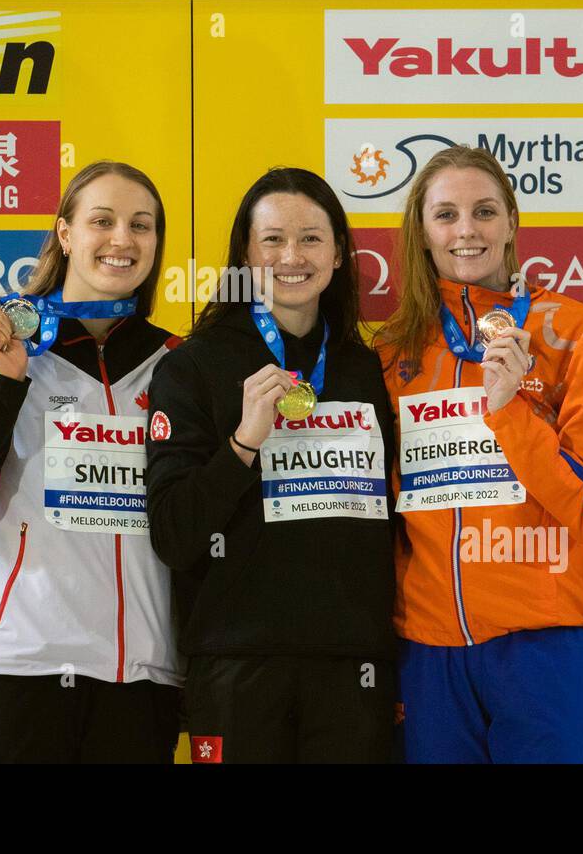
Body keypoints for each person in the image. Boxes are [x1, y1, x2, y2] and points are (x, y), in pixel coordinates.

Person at [0, 161, 183, 763]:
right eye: (102, 221)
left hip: (140, 677)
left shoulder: (177, 361)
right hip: (20, 668)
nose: (123, 239)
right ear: (65, 234)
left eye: (141, 225)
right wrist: (6, 388)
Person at [374, 144, 583, 764]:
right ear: (422, 232)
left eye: (485, 211)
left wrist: (509, 410)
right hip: (427, 650)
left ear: (512, 223)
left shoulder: (578, 331)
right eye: (446, 215)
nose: (467, 230)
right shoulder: (391, 350)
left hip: (541, 645)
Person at [145, 167, 396, 764]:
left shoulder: (370, 368)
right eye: (273, 239)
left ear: (338, 254)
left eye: (312, 238)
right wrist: (242, 445)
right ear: (246, 255)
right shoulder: (192, 367)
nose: (293, 256)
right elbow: (174, 532)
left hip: (355, 665)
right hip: (236, 661)